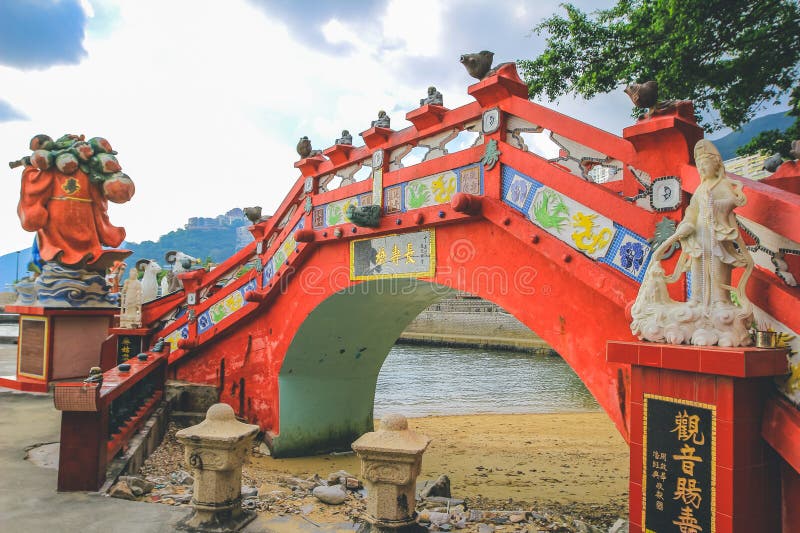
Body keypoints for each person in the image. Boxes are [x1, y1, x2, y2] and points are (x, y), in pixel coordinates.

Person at [17, 164, 133, 269]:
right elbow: (100, 205)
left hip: (80, 224)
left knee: (79, 258)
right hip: (65, 226)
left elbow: (34, 190)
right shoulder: (87, 171)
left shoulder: (90, 173)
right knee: (54, 257)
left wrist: (29, 169)